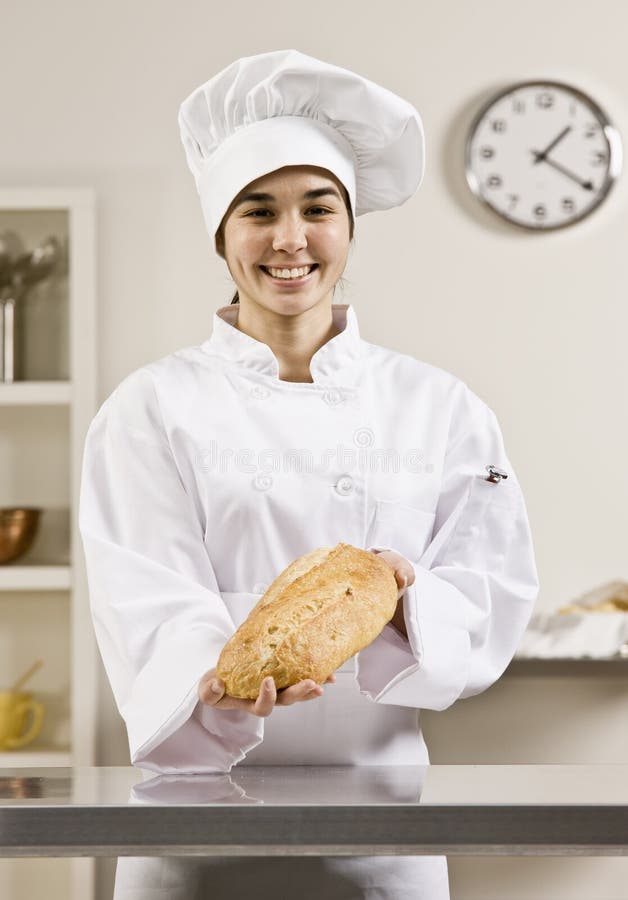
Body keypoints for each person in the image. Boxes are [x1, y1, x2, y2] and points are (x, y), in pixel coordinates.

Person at [79, 49, 539, 900]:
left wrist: (408, 597)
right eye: (259, 210)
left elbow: (490, 587)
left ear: (350, 226)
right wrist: (216, 683)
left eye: (316, 208)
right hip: (195, 821)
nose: (290, 239)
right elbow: (143, 593)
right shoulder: (150, 408)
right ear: (221, 234)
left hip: (384, 819)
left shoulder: (438, 407)